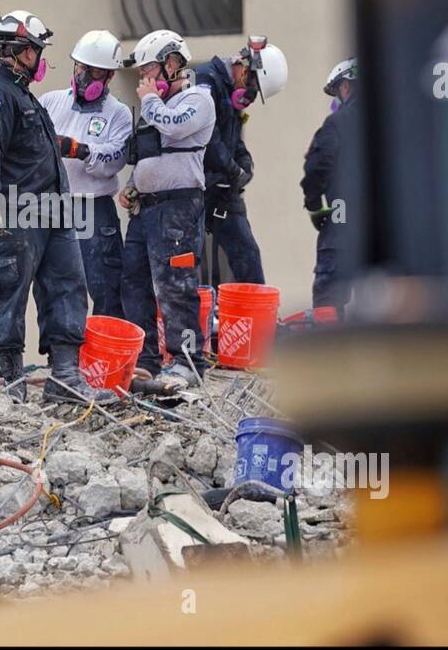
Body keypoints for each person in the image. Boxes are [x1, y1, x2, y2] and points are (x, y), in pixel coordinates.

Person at [0, 10, 116, 405]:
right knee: (12, 291)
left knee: (69, 285)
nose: (41, 58)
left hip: (54, 211)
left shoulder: (24, 97)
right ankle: (12, 380)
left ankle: (65, 377)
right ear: (18, 52)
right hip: (19, 211)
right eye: (36, 50)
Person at [119, 29, 216, 387]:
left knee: (176, 284)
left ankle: (188, 362)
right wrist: (133, 185)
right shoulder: (154, 108)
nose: (144, 80)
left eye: (150, 71)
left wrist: (149, 102)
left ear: (172, 64)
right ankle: (147, 359)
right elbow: (151, 154)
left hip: (179, 209)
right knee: (134, 281)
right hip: (147, 210)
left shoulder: (197, 100)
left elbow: (175, 128)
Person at [40, 30, 134, 318]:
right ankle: (63, 357)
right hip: (55, 206)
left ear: (108, 76)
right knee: (55, 287)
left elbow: (115, 157)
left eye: (92, 71)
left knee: (104, 285)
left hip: (94, 208)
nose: (82, 75)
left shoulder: (118, 114)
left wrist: (80, 150)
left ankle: (104, 358)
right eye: (80, 67)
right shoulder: (50, 102)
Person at [197, 36, 289, 286]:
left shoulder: (227, 90)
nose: (251, 94)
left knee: (247, 254)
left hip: (223, 188)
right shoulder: (205, 80)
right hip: (194, 188)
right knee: (190, 262)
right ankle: (191, 322)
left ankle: (260, 318)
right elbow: (208, 138)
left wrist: (245, 163)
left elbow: (233, 140)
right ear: (244, 68)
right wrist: (233, 170)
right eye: (254, 85)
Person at [301, 58, 360, 313]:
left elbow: (317, 168)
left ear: (345, 86)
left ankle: (335, 355)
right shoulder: (398, 120)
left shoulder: (337, 123)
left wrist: (315, 206)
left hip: (342, 225)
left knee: (329, 301)